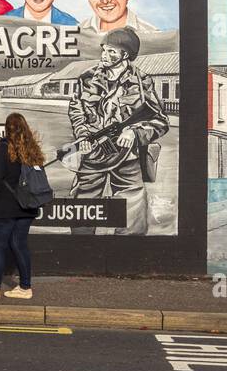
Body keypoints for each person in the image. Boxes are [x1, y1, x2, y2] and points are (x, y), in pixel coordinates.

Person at [68, 27, 168, 235]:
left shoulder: (142, 82)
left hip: (127, 159)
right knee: (82, 213)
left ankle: (127, 257)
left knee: (132, 217)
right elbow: (76, 110)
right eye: (104, 50)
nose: (105, 55)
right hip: (93, 155)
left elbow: (160, 120)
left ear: (126, 55)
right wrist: (83, 133)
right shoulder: (87, 79)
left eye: (112, 52)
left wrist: (134, 132)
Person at [0, 113, 43, 300]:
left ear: (7, 129)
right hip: (27, 207)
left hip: (4, 207)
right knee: (20, 245)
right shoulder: (33, 151)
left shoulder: (2, 149)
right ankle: (25, 287)